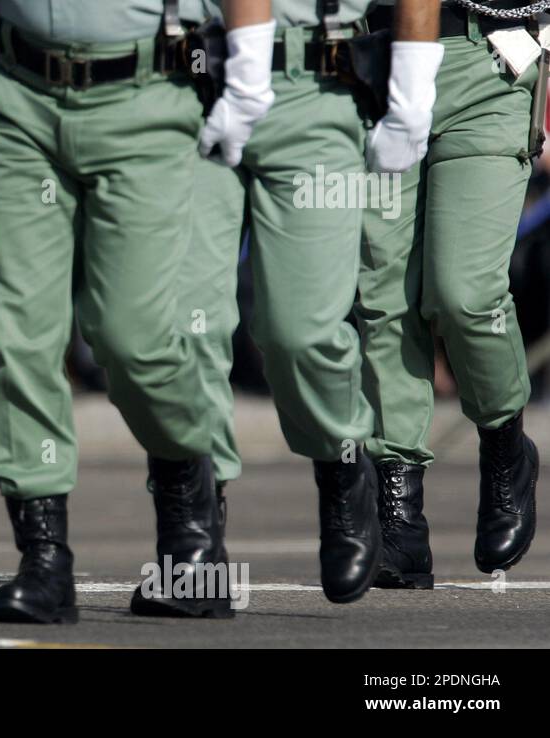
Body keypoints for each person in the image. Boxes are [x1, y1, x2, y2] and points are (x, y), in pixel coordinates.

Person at [0, 0, 272, 624]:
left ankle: (190, 510)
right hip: (14, 93)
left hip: (145, 95)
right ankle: (44, 560)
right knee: (20, 339)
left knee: (134, 339)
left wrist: (248, 79)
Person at [176, 0, 442, 608]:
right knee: (186, 323)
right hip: (191, 80)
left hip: (315, 82)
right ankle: (195, 533)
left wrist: (410, 93)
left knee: (300, 330)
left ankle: (343, 469)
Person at [358, 0, 541, 589]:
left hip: (487, 62)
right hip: (375, 63)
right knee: (382, 298)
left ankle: (505, 441)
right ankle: (398, 514)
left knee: (465, 294)